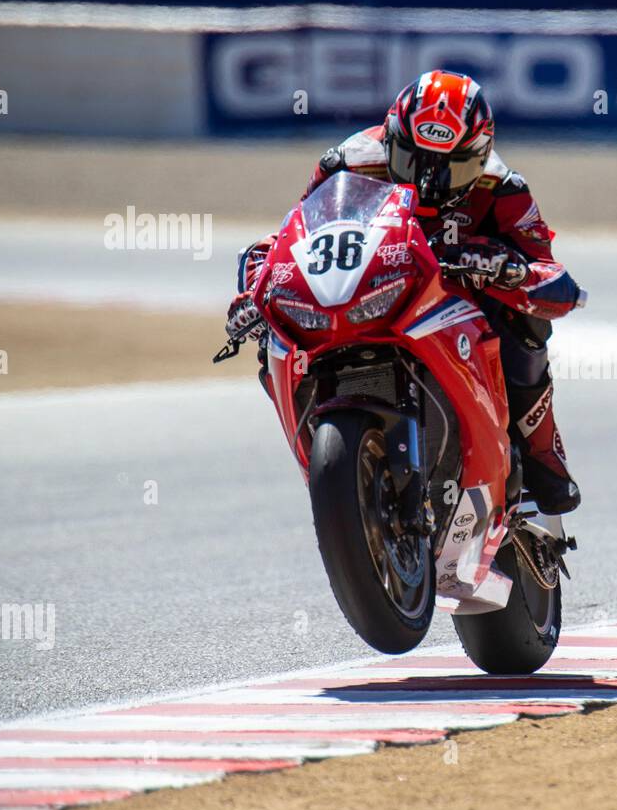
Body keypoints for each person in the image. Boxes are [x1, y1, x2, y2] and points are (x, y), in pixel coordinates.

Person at [227, 70, 584, 513]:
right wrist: (257, 290)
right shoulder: (347, 161)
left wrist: (508, 269)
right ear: (392, 138)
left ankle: (539, 450)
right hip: (369, 288)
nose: (429, 182)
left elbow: (553, 280)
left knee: (524, 321)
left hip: (453, 300)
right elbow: (297, 235)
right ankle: (325, 452)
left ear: (480, 156)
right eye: (413, 161)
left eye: (451, 169)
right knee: (274, 339)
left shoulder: (502, 186)